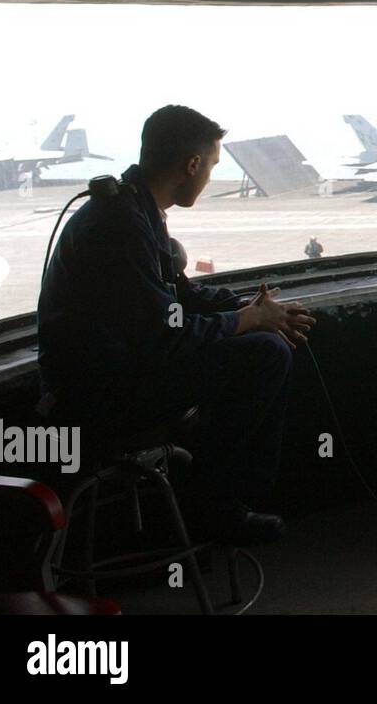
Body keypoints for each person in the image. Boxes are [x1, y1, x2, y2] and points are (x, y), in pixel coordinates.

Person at [37, 105, 316, 545]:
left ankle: (217, 500)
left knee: (263, 340)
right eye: (211, 167)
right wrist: (249, 319)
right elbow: (166, 334)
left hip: (117, 374)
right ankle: (217, 509)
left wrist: (248, 307)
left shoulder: (133, 210)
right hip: (96, 397)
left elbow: (178, 297)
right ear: (192, 165)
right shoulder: (122, 224)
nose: (208, 179)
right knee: (266, 355)